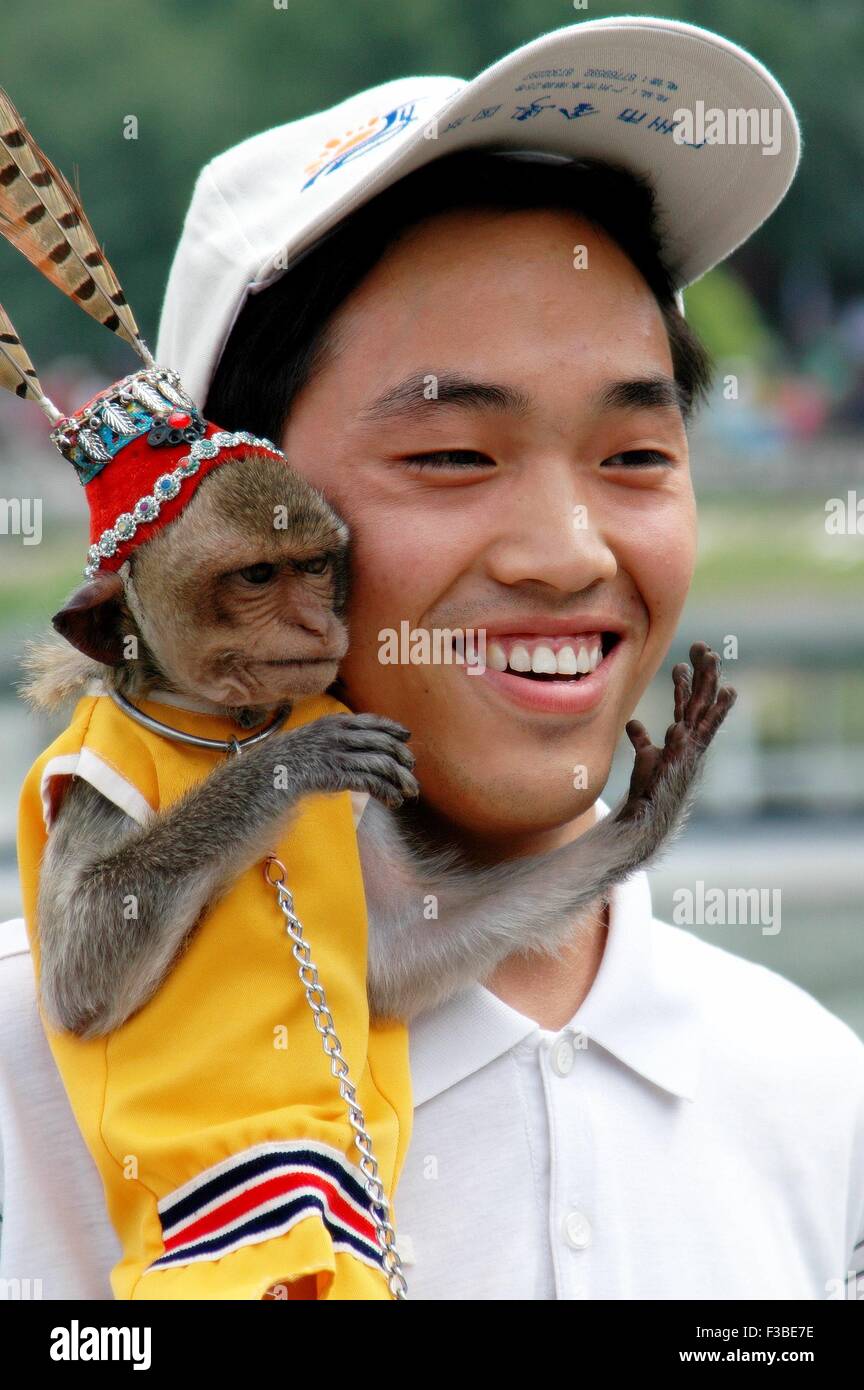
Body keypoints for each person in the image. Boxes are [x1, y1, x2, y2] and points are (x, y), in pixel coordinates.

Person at [2, 16, 863, 1302]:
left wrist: (639, 824)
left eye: (636, 455)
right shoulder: (25, 1100)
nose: (568, 555)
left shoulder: (810, 1092)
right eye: (453, 455)